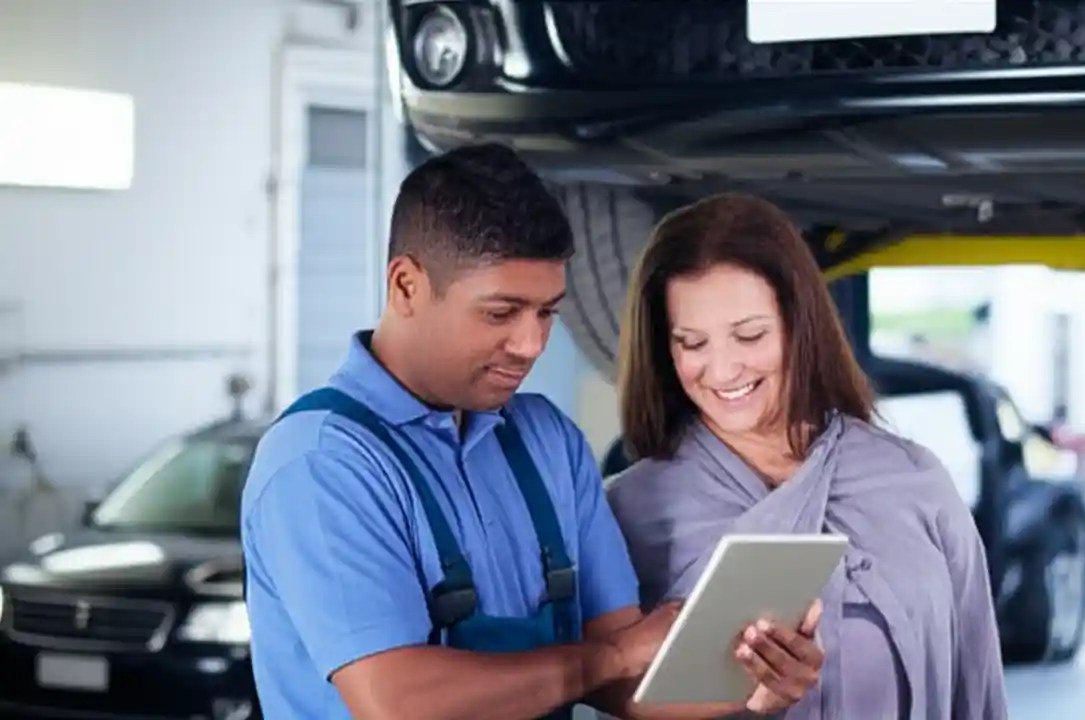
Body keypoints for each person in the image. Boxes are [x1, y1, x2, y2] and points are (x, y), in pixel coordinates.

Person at [239, 144, 825, 720]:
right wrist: (605, 658)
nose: (531, 345)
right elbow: (398, 703)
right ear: (406, 286)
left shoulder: (547, 441)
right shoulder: (320, 463)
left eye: (546, 312)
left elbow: (632, 678)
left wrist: (750, 686)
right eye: (501, 313)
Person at [607, 194, 1010, 720]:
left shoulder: (914, 482)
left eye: (749, 335)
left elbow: (976, 687)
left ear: (800, 326)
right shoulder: (631, 512)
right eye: (692, 343)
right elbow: (606, 694)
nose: (723, 369)